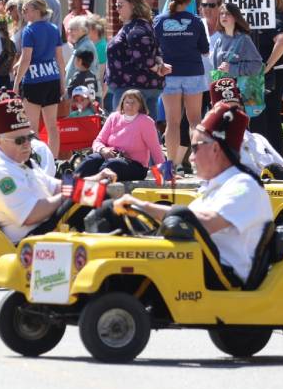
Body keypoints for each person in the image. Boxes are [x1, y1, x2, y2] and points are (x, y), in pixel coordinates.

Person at [110, 101, 274, 283]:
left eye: (195, 148)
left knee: (179, 216)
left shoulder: (244, 185)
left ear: (215, 148)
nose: (191, 157)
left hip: (221, 278)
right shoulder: (215, 186)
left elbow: (204, 223)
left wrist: (144, 206)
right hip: (197, 267)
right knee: (115, 224)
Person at [0, 95, 70, 243]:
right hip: (31, 241)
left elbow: (54, 186)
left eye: (29, 138)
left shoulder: (19, 161)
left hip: (48, 230)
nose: (26, 144)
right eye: (19, 140)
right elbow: (30, 215)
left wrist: (91, 183)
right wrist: (71, 194)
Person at [153, 0, 210, 170]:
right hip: (193, 72)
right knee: (195, 120)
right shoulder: (195, 21)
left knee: (172, 122)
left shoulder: (159, 21)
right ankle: (199, 163)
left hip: (169, 73)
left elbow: (153, 48)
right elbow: (205, 50)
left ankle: (172, 165)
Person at [75, 89, 164, 182]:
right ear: (122, 103)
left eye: (133, 102)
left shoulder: (146, 121)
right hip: (110, 157)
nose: (130, 105)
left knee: (112, 164)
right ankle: (72, 184)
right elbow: (98, 141)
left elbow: (156, 149)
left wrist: (166, 174)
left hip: (135, 166)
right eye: (127, 102)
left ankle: (95, 186)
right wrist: (103, 149)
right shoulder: (114, 117)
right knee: (92, 160)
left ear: (140, 105)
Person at [13, 0, 65, 155]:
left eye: (25, 10)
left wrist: (16, 84)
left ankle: (33, 160)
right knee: (52, 126)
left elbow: (27, 58)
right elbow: (60, 59)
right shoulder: (54, 29)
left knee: (31, 127)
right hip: (52, 78)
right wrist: (62, 83)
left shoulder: (29, 30)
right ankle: (54, 161)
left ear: (37, 11)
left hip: (34, 81)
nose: (23, 13)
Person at [250, 0, 283, 159]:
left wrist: (267, 66)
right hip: (273, 71)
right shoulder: (267, 18)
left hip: (276, 71)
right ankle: (274, 158)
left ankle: (276, 159)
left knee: (269, 116)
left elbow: (282, 41)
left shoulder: (276, 17)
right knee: (267, 115)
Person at [104, 0, 164, 114]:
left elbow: (142, 55)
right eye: (116, 5)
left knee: (126, 131)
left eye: (121, 5)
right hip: (141, 86)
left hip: (132, 89)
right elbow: (156, 51)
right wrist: (159, 65)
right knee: (146, 130)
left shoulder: (135, 29)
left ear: (133, 5)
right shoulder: (141, 25)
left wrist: (156, 68)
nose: (117, 8)